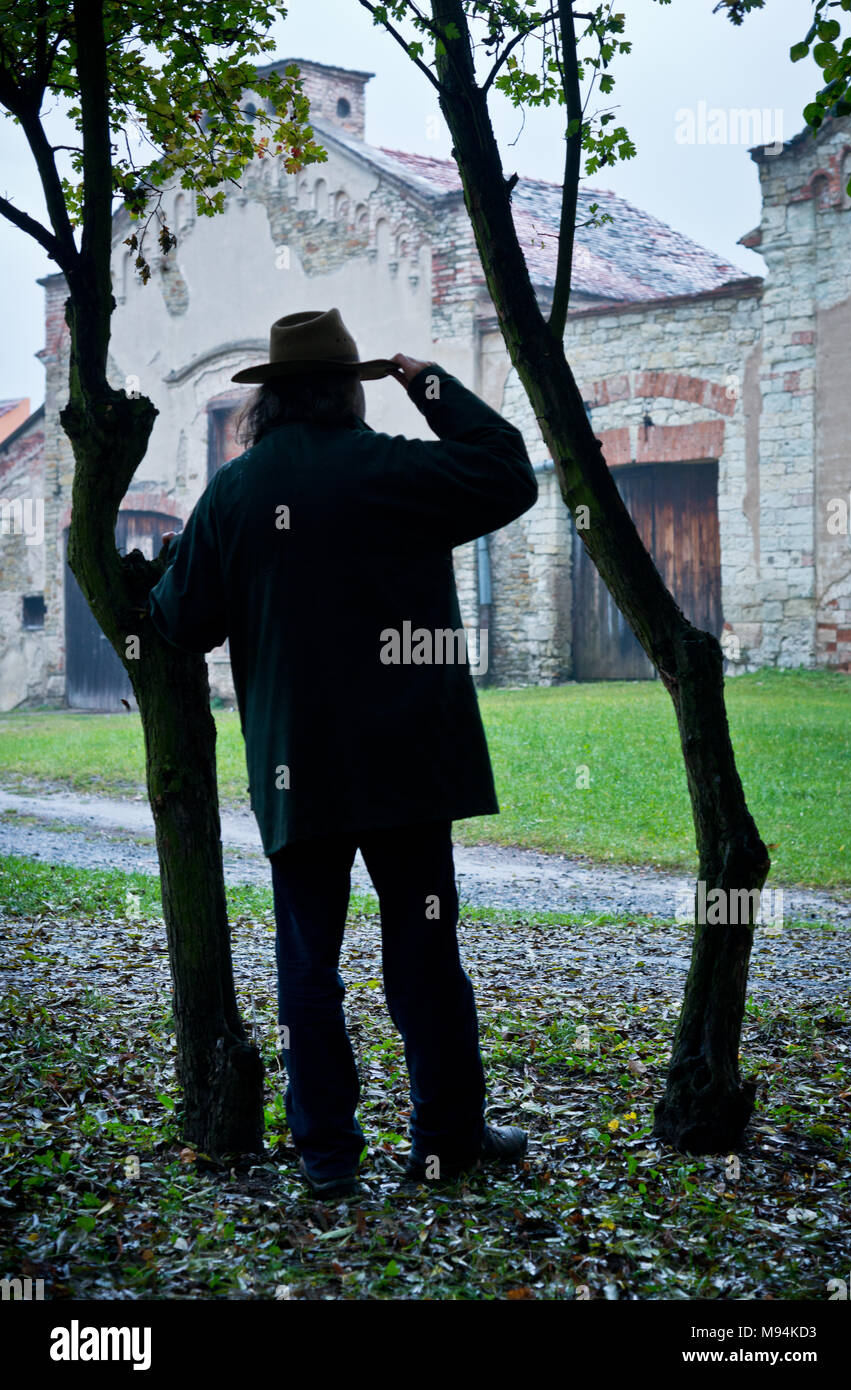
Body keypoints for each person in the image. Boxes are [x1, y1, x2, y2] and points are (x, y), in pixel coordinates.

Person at [149, 308, 539, 1198]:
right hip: (411, 764)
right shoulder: (398, 470)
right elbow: (508, 471)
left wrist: (179, 565)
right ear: (347, 390)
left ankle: (327, 1161)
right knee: (427, 956)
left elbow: (176, 621)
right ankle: (445, 1143)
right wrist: (428, 383)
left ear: (271, 400)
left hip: (301, 770)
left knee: (307, 965)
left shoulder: (237, 493)